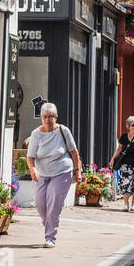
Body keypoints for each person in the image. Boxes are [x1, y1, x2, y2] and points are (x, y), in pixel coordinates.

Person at [26, 102, 81, 247]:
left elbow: (74, 152)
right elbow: (30, 157)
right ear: (41, 118)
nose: (48, 120)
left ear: (56, 117)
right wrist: (32, 169)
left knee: (53, 205)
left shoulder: (63, 131)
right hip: (41, 174)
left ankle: (50, 237)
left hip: (61, 172)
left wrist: (78, 171)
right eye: (45, 117)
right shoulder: (36, 134)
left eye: (51, 116)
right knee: (40, 205)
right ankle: (50, 227)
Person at [109, 116, 134, 210]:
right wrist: (113, 159)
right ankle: (126, 204)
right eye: (133, 125)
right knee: (125, 184)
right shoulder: (124, 137)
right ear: (128, 126)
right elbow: (119, 149)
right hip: (126, 165)